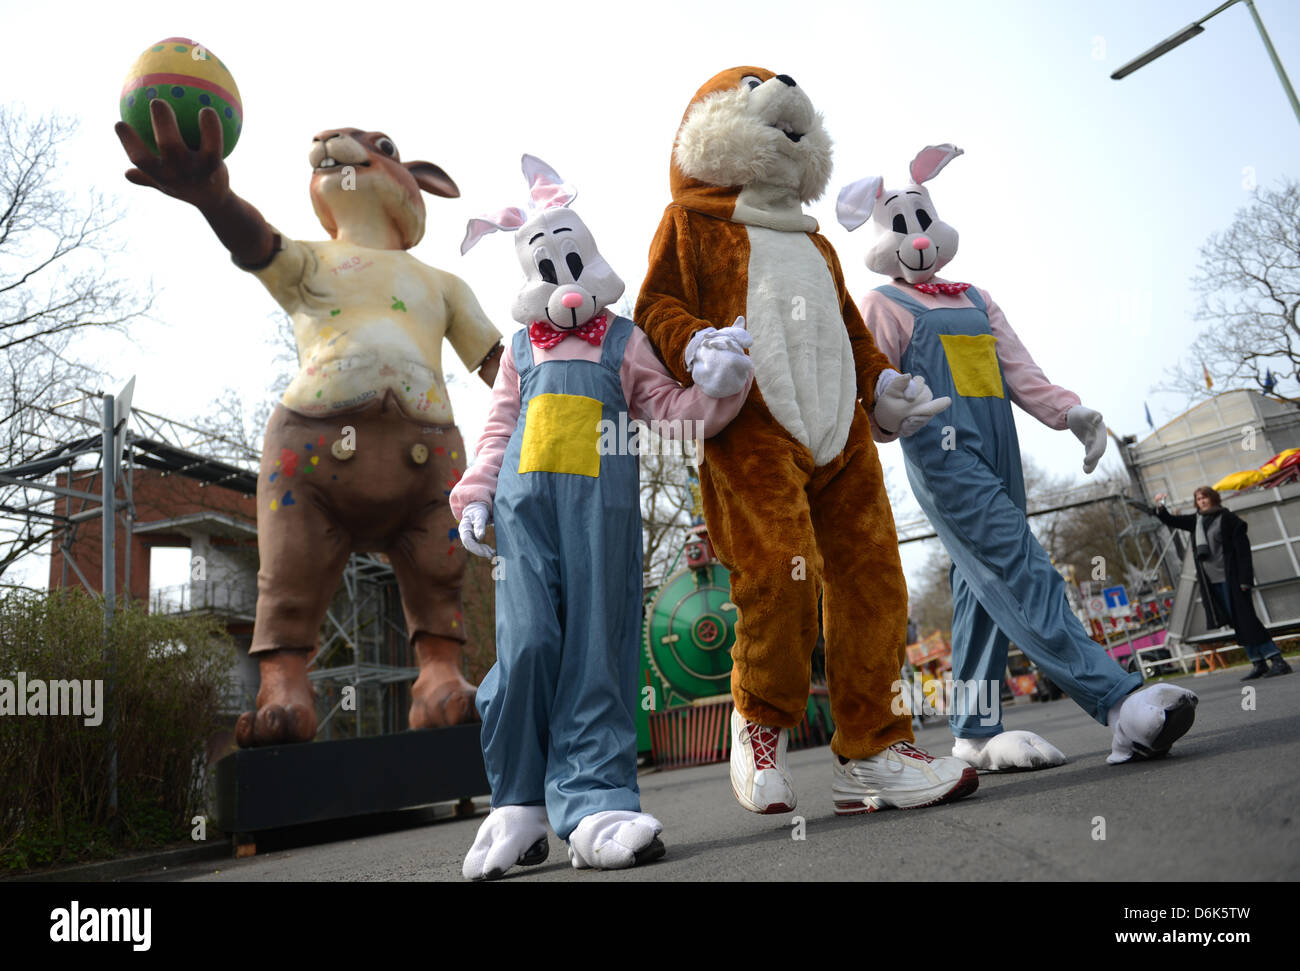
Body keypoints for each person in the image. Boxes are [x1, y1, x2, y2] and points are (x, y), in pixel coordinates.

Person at [1155, 487, 1293, 680]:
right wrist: (1160, 505)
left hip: (1233, 579)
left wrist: (1245, 580)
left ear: (1213, 499)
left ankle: (1277, 660)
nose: (1202, 501)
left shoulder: (1228, 520)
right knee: (1238, 622)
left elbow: (1243, 553)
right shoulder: (1197, 521)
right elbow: (1170, 520)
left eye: (1205, 497)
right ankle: (1258, 662)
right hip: (1213, 582)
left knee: (1247, 620)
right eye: (1198, 499)